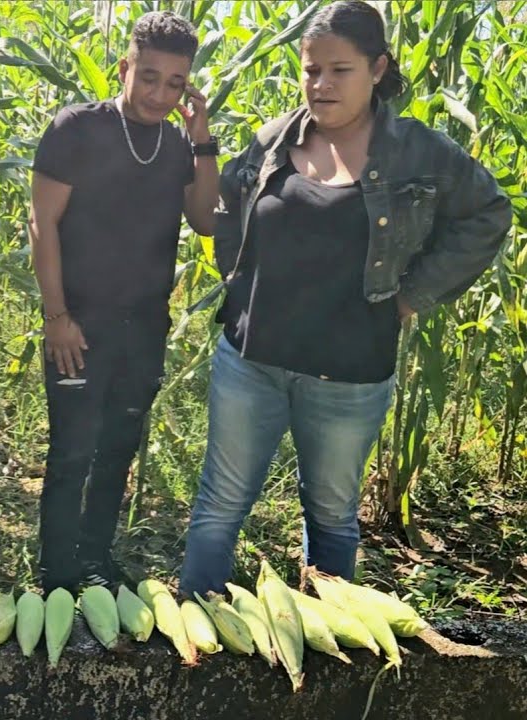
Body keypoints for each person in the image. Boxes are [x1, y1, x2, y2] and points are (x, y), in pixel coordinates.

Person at [178, 0, 511, 596]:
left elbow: (488, 213)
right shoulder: (275, 138)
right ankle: (196, 640)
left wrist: (409, 297)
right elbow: (227, 209)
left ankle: (324, 660)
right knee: (219, 507)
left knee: (331, 516)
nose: (321, 84)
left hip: (349, 373)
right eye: (311, 70)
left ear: (377, 69)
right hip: (250, 361)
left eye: (340, 70)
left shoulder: (418, 151)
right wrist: (239, 276)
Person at [28, 11, 220, 595]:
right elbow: (43, 225)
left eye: (175, 83)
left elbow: (206, 219)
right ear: (125, 67)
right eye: (150, 77)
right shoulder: (77, 130)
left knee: (117, 448)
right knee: (71, 453)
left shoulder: (176, 144)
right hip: (79, 323)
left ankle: (95, 561)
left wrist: (203, 136)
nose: (160, 94)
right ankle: (56, 573)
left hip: (144, 326)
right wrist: (56, 317)